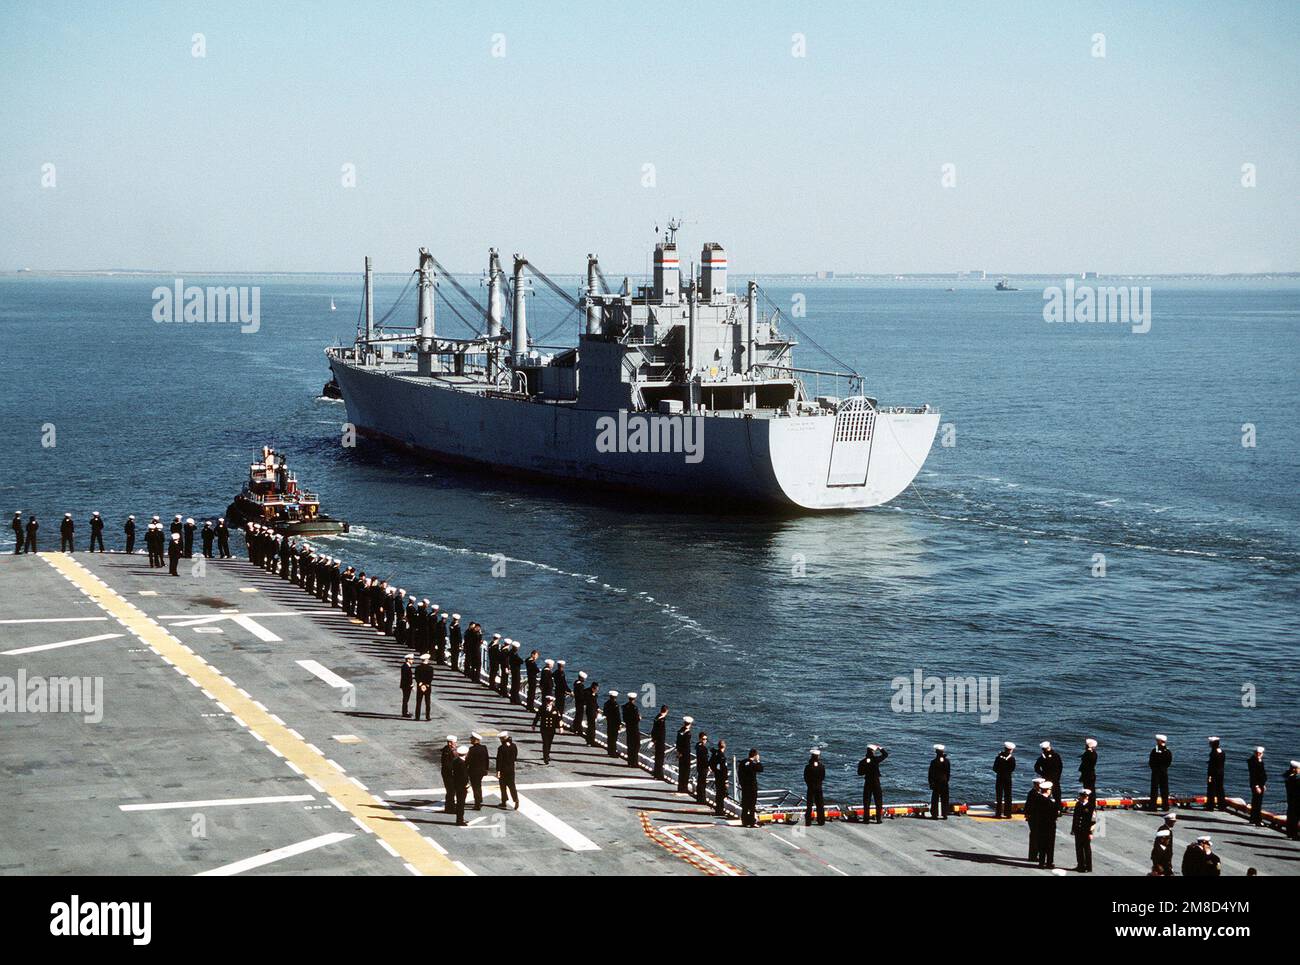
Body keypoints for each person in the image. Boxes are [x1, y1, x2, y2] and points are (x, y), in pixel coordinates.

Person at [857, 744, 888, 824]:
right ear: (872, 751)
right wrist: (880, 748)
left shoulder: (862, 761)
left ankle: (866, 819)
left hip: (867, 782)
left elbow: (859, 773)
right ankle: (878, 819)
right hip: (876, 782)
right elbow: (885, 755)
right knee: (878, 801)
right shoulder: (876, 760)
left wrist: (866, 770)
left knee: (866, 802)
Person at [1034, 781, 1058, 868]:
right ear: (1047, 790)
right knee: (1050, 845)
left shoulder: (1037, 799)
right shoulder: (1050, 802)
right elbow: (1055, 815)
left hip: (1040, 825)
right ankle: (1049, 862)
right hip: (1049, 826)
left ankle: (1041, 862)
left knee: (1041, 845)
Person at [1071, 788, 1095, 873]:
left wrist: (1090, 832)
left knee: (1087, 849)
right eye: (1083, 796)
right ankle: (1080, 865)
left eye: (1086, 796)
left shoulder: (1091, 806)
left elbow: (1093, 820)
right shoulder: (1078, 804)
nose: (1085, 797)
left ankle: (1088, 867)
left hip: (1086, 831)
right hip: (1078, 830)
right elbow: (1075, 818)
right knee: (1079, 849)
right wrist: (1073, 829)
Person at [1035, 741, 1063, 812]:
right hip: (1056, 778)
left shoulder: (1042, 758)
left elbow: (1036, 767)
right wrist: (1058, 776)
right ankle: (1058, 810)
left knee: (1046, 794)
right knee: (1057, 795)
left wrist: (1042, 774)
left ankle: (1046, 810)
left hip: (1046, 778)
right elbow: (1060, 767)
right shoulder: (1056, 755)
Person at [739, 748, 762, 828]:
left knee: (745, 805)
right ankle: (752, 822)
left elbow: (740, 775)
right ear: (755, 755)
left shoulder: (742, 762)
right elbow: (760, 769)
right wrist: (758, 761)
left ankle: (744, 821)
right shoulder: (752, 764)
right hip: (752, 787)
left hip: (744, 787)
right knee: (752, 805)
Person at [466, 733, 490, 810]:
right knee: (479, 785)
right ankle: (479, 799)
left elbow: (468, 761)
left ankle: (477, 803)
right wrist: (486, 769)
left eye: (471, 738)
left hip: (473, 771)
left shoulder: (471, 749)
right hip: (482, 771)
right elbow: (487, 759)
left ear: (475, 740)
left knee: (475, 787)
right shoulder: (484, 747)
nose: (470, 740)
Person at [803, 748, 826, 826]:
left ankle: (808, 821)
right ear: (818, 756)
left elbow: (805, 777)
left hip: (811, 787)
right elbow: (823, 777)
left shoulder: (808, 767)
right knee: (820, 804)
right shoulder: (822, 766)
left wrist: (809, 784)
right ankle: (821, 821)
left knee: (809, 805)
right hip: (819, 787)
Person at [1149, 734, 1172, 811]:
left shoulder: (1154, 751)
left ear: (1159, 741)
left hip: (1156, 772)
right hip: (1164, 772)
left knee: (1154, 790)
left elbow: (1151, 762)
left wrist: (1154, 769)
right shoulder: (1168, 751)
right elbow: (1169, 762)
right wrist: (1164, 768)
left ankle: (1153, 806)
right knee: (1165, 790)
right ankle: (1165, 806)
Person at [536, 697, 562, 764]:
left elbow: (559, 719)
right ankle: (545, 757)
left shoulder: (555, 709)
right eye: (547, 701)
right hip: (544, 728)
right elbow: (537, 716)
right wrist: (534, 724)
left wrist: (560, 727)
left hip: (551, 729)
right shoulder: (542, 708)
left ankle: (547, 755)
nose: (549, 703)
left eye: (550, 701)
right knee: (545, 743)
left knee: (549, 743)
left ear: (552, 702)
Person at [496, 733, 519, 810]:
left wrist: (498, 771)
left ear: (503, 739)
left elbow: (499, 760)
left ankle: (504, 802)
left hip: (503, 770)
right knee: (512, 786)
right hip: (511, 769)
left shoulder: (501, 748)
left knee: (503, 787)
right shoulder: (514, 746)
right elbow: (515, 757)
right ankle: (516, 799)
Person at [994, 742, 1016, 818]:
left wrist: (1000, 772)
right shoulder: (1011, 759)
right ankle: (1008, 814)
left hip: (999, 777)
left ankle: (998, 814)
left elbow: (994, 768)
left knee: (999, 796)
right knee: (1008, 796)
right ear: (1011, 750)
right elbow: (1012, 769)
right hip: (1007, 778)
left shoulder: (999, 757)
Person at [928, 744, 950, 819]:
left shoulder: (933, 762)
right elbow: (948, 773)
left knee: (935, 799)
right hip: (944, 782)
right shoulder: (947, 761)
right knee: (945, 798)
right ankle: (945, 813)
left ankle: (934, 814)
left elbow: (930, 774)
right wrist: (947, 780)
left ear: (936, 752)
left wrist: (931, 783)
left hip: (936, 782)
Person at [1247, 746, 1267, 825]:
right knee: (1257, 802)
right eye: (1257, 753)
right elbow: (1253, 775)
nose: (1259, 754)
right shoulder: (1253, 761)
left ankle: (1253, 819)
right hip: (1256, 785)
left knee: (1257, 802)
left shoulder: (1259, 760)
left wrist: (1263, 784)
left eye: (1260, 753)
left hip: (1260, 784)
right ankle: (1257, 820)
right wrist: (1256, 786)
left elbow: (1261, 773)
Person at [1025, 778, 1044, 862]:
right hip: (1035, 818)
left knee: (1036, 836)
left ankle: (1034, 855)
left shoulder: (1034, 793)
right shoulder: (1034, 794)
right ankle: (1033, 856)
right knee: (1035, 837)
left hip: (1035, 817)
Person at [709, 739, 729, 816]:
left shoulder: (715, 754)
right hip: (721, 777)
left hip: (717, 775)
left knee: (718, 793)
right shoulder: (722, 756)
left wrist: (714, 770)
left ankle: (718, 809)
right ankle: (720, 810)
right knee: (722, 794)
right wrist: (726, 781)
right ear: (724, 746)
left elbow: (711, 763)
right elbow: (724, 769)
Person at [1206, 736, 1227, 810]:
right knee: (1220, 789)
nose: (1209, 744)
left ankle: (1210, 806)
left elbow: (1212, 766)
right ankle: (1222, 805)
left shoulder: (1213, 753)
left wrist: (1210, 776)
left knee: (1211, 789)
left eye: (1210, 743)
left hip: (1213, 774)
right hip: (1221, 773)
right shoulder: (1222, 752)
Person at [451, 746, 470, 826]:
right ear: (466, 753)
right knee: (461, 803)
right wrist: (467, 785)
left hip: (456, 784)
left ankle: (460, 819)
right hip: (461, 786)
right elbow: (464, 776)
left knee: (459, 803)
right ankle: (459, 820)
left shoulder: (455, 761)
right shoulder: (462, 763)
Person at [439, 737, 458, 813]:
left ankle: (449, 807)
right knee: (451, 791)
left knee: (451, 791)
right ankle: (450, 808)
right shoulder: (447, 751)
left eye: (452, 742)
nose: (450, 744)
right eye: (449, 742)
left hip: (449, 773)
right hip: (448, 774)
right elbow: (448, 765)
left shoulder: (449, 750)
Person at [622, 692, 641, 767]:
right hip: (634, 728)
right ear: (634, 699)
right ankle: (634, 762)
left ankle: (629, 761)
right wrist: (639, 718)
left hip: (628, 727)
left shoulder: (625, 707)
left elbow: (624, 718)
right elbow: (636, 719)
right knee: (636, 745)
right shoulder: (634, 708)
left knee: (630, 745)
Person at [675, 717, 693, 793]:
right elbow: (686, 746)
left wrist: (678, 752)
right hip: (685, 755)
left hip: (680, 753)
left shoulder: (680, 731)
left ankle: (680, 787)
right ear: (690, 724)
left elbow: (678, 742)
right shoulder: (688, 734)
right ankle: (684, 788)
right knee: (686, 772)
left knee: (681, 771)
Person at [413, 655, 434, 721]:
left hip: (420, 687)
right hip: (427, 687)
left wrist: (421, 684)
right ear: (427, 659)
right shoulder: (430, 668)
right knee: (427, 702)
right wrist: (426, 684)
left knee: (418, 702)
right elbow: (430, 678)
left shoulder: (417, 668)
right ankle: (428, 716)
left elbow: (416, 677)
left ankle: (417, 717)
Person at [651, 705, 669, 779]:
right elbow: (660, 732)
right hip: (660, 741)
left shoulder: (657, 717)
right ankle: (659, 775)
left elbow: (654, 730)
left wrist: (654, 739)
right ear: (666, 711)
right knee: (660, 758)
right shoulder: (662, 719)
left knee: (657, 757)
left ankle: (656, 773)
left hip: (656, 740)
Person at [1285, 760, 1299, 840]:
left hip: (1291, 799)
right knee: (1295, 817)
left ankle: (1290, 832)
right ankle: (1294, 833)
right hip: (1297, 800)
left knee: (1291, 816)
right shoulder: (1296, 779)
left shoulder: (1289, 777)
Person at [695, 732, 710, 805]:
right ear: (700, 739)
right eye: (703, 739)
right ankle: (702, 799)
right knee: (702, 784)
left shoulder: (698, 745)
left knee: (700, 782)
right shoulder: (703, 748)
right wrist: (709, 767)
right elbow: (705, 760)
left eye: (706, 739)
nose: (705, 741)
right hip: (703, 767)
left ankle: (699, 798)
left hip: (699, 766)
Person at [399, 653, 415, 719]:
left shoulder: (405, 666)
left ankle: (405, 711)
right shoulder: (406, 667)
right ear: (408, 659)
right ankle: (405, 712)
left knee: (406, 699)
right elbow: (407, 678)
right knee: (406, 699)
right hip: (406, 686)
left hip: (405, 685)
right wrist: (411, 684)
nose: (413, 661)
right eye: (412, 659)